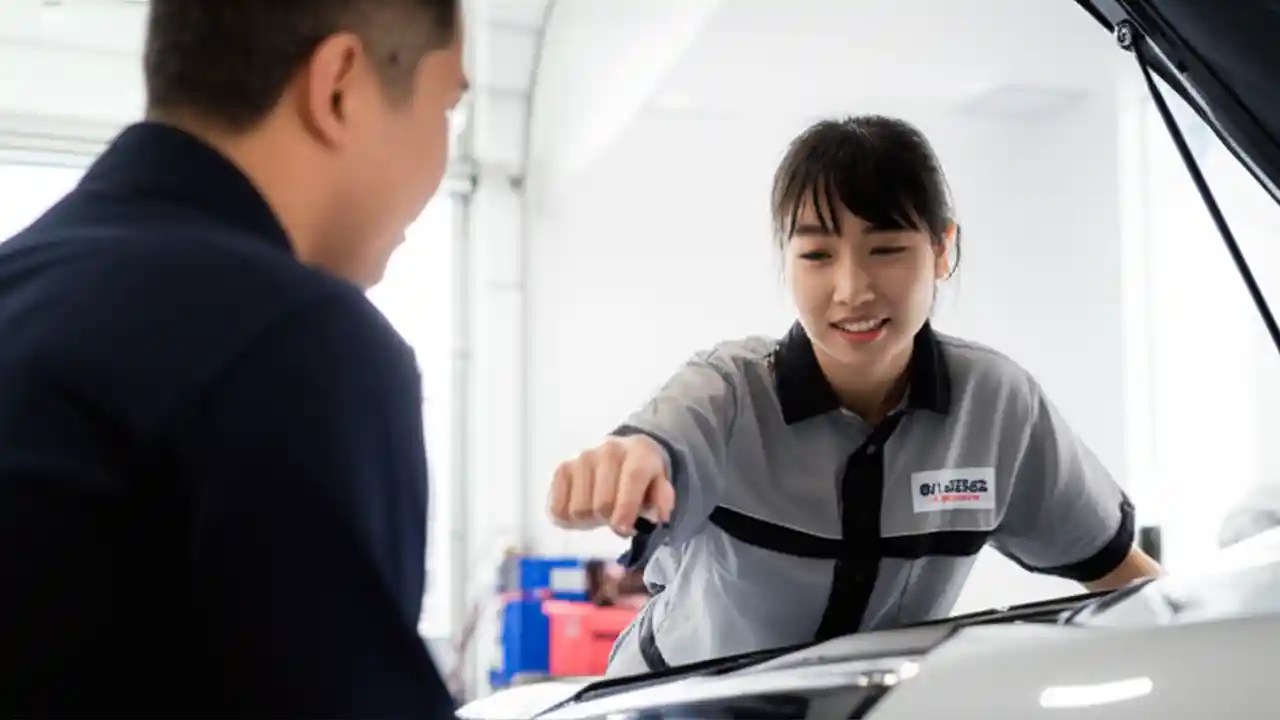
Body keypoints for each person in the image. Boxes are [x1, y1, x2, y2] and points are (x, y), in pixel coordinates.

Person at [548, 115, 1163, 675]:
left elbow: (1120, 572)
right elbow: (660, 439)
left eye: (886, 250)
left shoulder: (997, 405)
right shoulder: (730, 390)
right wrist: (626, 460)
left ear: (942, 250)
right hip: (679, 702)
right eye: (817, 254)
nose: (851, 290)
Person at [0, 1, 467, 716]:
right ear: (339, 85)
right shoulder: (298, 344)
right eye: (446, 109)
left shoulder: (22, 284)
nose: (442, 156)